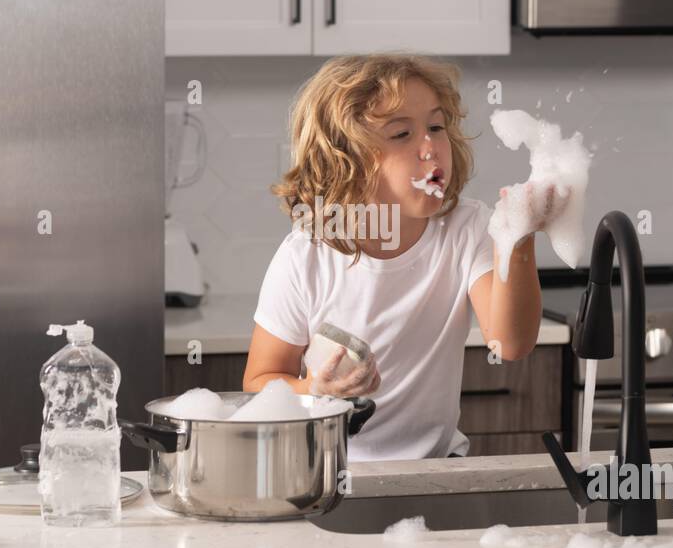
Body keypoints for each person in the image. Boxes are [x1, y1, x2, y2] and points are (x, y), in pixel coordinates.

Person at [242, 54, 568, 461]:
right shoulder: (307, 254)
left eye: (436, 127)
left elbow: (511, 343)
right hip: (328, 472)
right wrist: (316, 391)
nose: (430, 147)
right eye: (401, 134)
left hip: (436, 469)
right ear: (347, 160)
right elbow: (258, 382)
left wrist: (519, 237)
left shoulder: (468, 228)